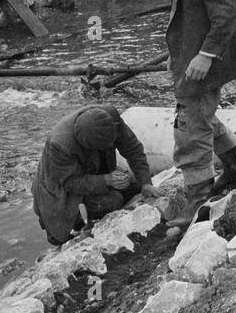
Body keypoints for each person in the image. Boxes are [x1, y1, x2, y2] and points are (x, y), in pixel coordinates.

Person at [148, 0, 236, 227]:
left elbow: (227, 13)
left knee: (189, 129)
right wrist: (177, 57)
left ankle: (199, 201)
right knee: (203, 115)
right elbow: (184, 16)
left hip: (204, 60)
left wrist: (205, 55)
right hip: (189, 58)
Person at [33, 104, 151, 246]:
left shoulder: (109, 118)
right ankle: (74, 223)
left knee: (133, 189)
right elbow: (71, 183)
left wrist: (146, 183)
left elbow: (133, 149)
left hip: (91, 167)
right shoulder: (59, 144)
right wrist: (106, 180)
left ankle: (93, 218)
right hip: (59, 184)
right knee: (112, 201)